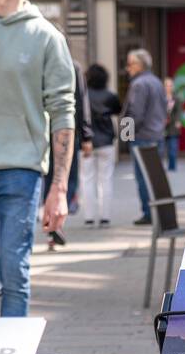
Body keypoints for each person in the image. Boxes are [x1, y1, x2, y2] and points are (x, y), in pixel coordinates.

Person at [0, 0, 75, 316]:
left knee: (14, 274)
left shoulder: (47, 37)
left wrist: (58, 190)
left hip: (22, 172)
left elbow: (63, 113)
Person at [43, 54, 85, 250]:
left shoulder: (72, 66)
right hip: (61, 133)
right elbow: (82, 103)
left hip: (56, 133)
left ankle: (54, 226)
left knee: (55, 179)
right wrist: (87, 135)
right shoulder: (72, 65)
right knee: (65, 179)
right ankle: (55, 224)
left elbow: (80, 102)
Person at [123, 48, 167, 226]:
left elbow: (135, 114)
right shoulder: (157, 82)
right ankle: (157, 211)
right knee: (156, 176)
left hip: (142, 137)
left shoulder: (139, 84)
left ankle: (149, 213)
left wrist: (125, 137)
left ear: (140, 65)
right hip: (157, 135)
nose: (128, 68)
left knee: (143, 177)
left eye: (130, 64)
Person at [80, 63, 120, 228]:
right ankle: (105, 217)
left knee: (87, 179)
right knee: (106, 179)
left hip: (86, 143)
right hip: (106, 142)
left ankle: (89, 217)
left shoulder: (83, 96)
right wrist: (128, 137)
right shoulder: (110, 95)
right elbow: (122, 112)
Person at [163, 76, 184, 172]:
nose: (169, 87)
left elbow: (179, 111)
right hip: (162, 127)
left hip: (173, 127)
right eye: (167, 85)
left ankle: (172, 167)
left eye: (170, 85)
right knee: (160, 149)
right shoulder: (160, 98)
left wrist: (178, 121)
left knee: (173, 149)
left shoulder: (177, 98)